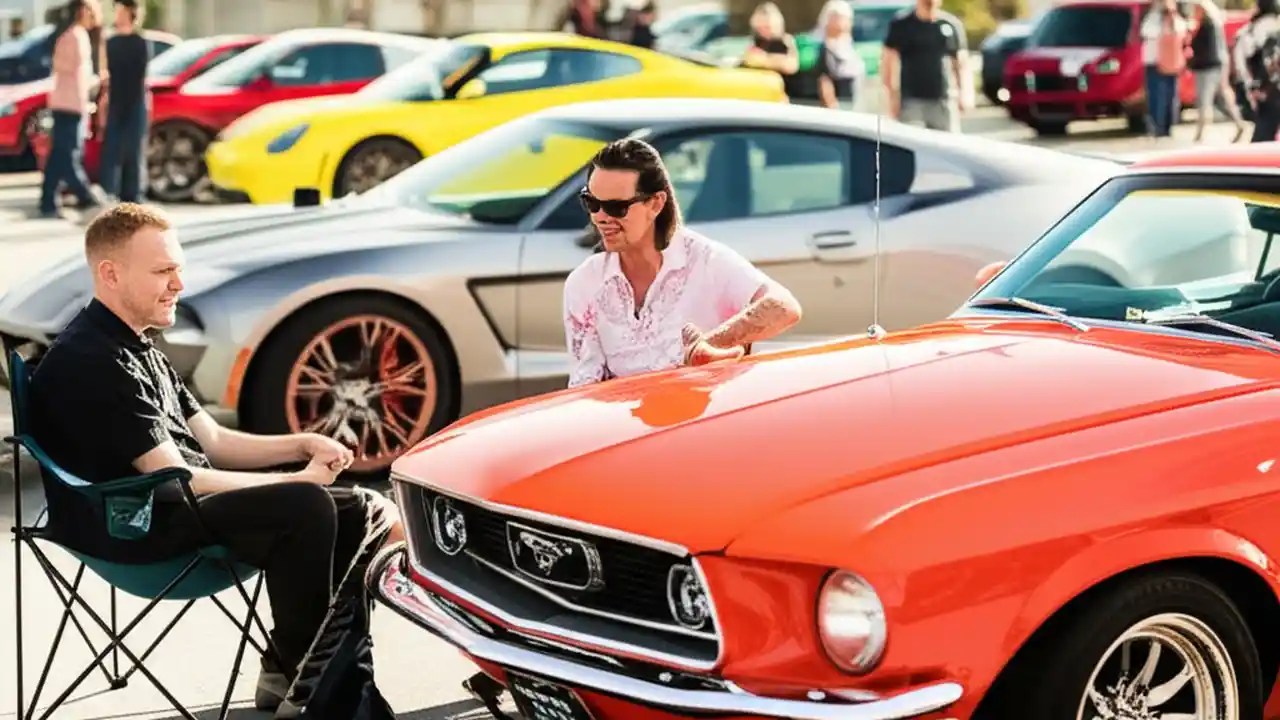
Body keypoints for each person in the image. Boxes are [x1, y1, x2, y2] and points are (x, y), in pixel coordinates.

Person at [26, 203, 404, 720]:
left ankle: (297, 671)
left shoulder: (138, 344)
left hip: (160, 507)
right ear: (110, 275)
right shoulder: (95, 359)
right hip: (127, 525)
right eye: (163, 270)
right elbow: (180, 476)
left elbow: (215, 439)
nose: (179, 283)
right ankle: (317, 683)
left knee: (359, 509)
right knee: (307, 505)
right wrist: (300, 481)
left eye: (178, 268)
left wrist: (300, 444)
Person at [562, 138, 803, 387]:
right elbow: (585, 384)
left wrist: (708, 346)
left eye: (616, 207)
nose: (600, 217)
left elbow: (784, 307)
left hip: (705, 418)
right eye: (591, 203)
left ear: (655, 203)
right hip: (628, 422)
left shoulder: (704, 260)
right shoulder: (584, 283)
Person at [38, 0, 106, 219]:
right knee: (69, 154)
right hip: (71, 104)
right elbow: (69, 69)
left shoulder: (71, 35)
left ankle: (48, 202)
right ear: (82, 12)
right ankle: (85, 195)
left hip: (69, 102)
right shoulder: (75, 36)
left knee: (59, 155)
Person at [882, 0, 973, 132]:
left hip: (943, 99)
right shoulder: (901, 25)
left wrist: (964, 93)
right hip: (910, 100)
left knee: (947, 145)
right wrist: (892, 98)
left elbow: (960, 62)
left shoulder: (950, 25)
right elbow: (889, 61)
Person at [99, 0, 152, 202]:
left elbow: (142, 77)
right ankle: (108, 192)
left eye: (121, 11)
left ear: (131, 13)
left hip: (135, 101)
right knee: (112, 150)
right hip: (115, 101)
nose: (118, 15)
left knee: (133, 150)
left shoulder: (140, 42)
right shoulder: (110, 42)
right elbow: (106, 76)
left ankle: (133, 195)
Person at [1189, 0, 1248, 141]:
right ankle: (1238, 123)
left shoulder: (1207, 26)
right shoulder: (1213, 24)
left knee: (1205, 98)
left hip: (1209, 65)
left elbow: (1206, 49)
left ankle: (1201, 132)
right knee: (1222, 95)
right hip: (1215, 64)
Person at [1140, 0, 1190, 138]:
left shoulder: (1154, 19)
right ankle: (1167, 127)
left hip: (1155, 63)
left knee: (1158, 97)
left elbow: (1145, 32)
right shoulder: (1177, 21)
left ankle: (1159, 127)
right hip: (1172, 64)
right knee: (1170, 96)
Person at [1232, 0, 1280, 142]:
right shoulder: (1272, 26)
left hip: (1265, 87)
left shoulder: (1253, 29)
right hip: (1270, 86)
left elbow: (1244, 58)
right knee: (1265, 128)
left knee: (1264, 129)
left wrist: (1253, 85)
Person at [742, 2, 800, 100]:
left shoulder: (785, 41)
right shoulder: (756, 42)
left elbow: (791, 65)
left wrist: (763, 60)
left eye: (766, 27)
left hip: (782, 94)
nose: (763, 30)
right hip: (758, 93)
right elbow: (747, 60)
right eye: (760, 27)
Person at [815, 0, 865, 110]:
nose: (843, 22)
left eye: (846, 18)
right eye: (837, 18)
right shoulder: (826, 49)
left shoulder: (850, 47)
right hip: (839, 108)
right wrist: (832, 106)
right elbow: (824, 80)